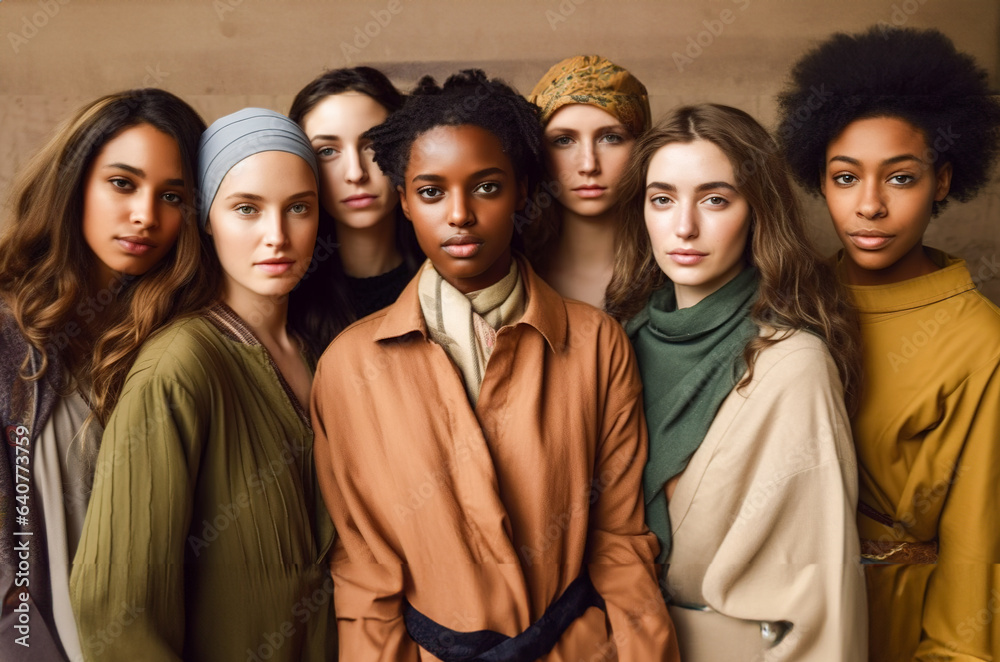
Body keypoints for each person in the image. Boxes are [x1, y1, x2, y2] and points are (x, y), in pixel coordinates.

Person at [311, 69, 679, 661]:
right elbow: (363, 572)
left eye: (486, 187)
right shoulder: (348, 367)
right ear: (403, 200)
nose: (459, 214)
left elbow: (621, 541)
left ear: (524, 191)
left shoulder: (596, 342)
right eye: (431, 192)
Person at [70, 108, 335, 662]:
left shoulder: (324, 353)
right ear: (207, 218)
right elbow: (117, 612)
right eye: (247, 209)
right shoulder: (178, 366)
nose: (277, 236)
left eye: (299, 209)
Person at [610, 103, 866, 660]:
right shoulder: (614, 345)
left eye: (715, 199)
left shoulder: (792, 365)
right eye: (662, 199)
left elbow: (821, 596)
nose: (684, 226)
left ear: (758, 211)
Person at [776, 26, 1000, 661]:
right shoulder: (789, 302)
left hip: (894, 629)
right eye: (845, 178)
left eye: (900, 179)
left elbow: (976, 550)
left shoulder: (981, 341)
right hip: (770, 620)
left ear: (945, 181)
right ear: (819, 180)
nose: (868, 206)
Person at [0, 88, 205, 662]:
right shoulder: (10, 336)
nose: (146, 215)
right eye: (122, 183)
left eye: (173, 196)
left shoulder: (182, 340)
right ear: (74, 184)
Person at [289, 66, 423, 358]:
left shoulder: (446, 278)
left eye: (372, 145)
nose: (355, 173)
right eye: (327, 151)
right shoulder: (286, 297)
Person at [525, 54, 650, 309]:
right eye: (563, 140)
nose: (588, 165)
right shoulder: (512, 271)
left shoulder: (677, 268)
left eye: (611, 138)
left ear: (641, 146)